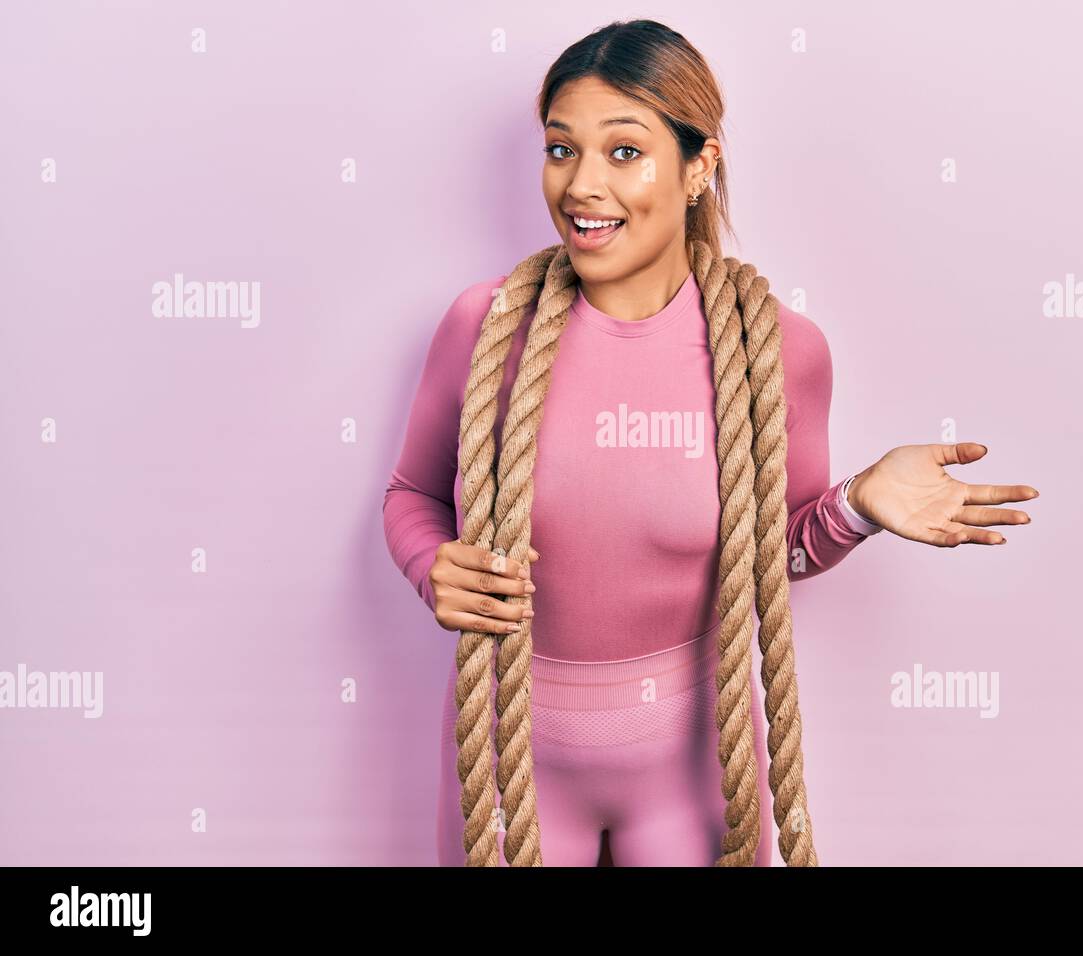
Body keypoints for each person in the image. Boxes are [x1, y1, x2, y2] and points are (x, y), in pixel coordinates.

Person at [382, 19, 1038, 866]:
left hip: (694, 772)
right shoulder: (484, 328)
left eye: (625, 152)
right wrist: (430, 565)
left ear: (699, 166)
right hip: (510, 763)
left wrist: (858, 506)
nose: (582, 186)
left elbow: (777, 558)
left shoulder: (778, 350)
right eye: (560, 150)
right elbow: (411, 497)